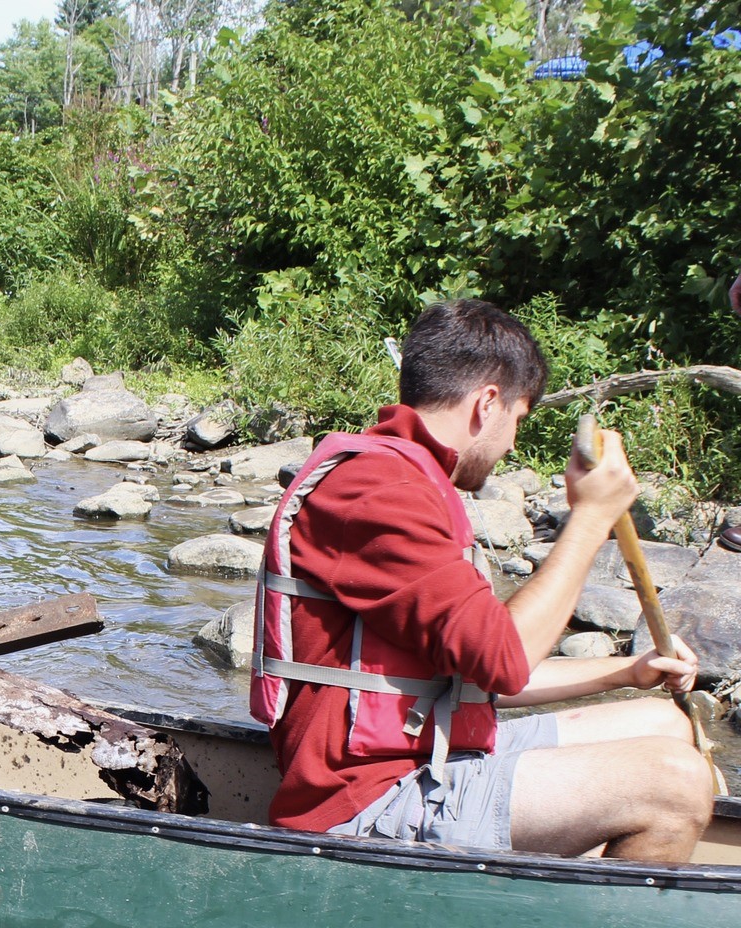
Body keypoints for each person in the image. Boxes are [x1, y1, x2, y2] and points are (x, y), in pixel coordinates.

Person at [251, 299, 714, 862]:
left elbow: (478, 669)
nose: (512, 443)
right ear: (487, 403)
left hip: (436, 754)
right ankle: (589, 921)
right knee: (673, 781)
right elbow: (504, 658)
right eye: (518, 419)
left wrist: (626, 671)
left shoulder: (409, 480)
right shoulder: (377, 490)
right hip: (369, 799)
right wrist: (591, 519)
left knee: (663, 723)